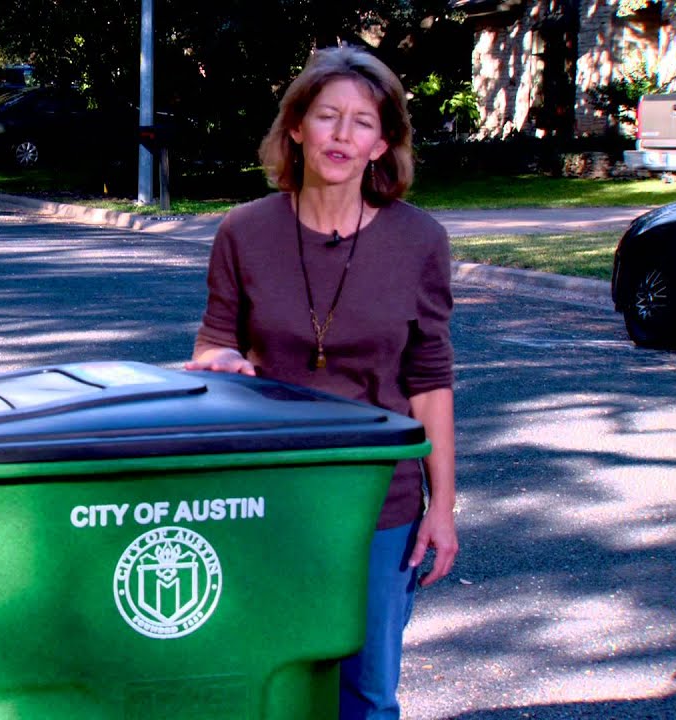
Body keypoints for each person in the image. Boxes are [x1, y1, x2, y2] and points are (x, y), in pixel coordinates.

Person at [185, 45, 458, 719]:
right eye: (327, 116)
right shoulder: (244, 230)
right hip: (265, 491)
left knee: (366, 692)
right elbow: (214, 339)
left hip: (377, 498)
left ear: (382, 142)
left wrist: (444, 504)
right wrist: (217, 362)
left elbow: (429, 379)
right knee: (265, 675)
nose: (342, 135)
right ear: (297, 127)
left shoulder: (419, 239)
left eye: (362, 122)